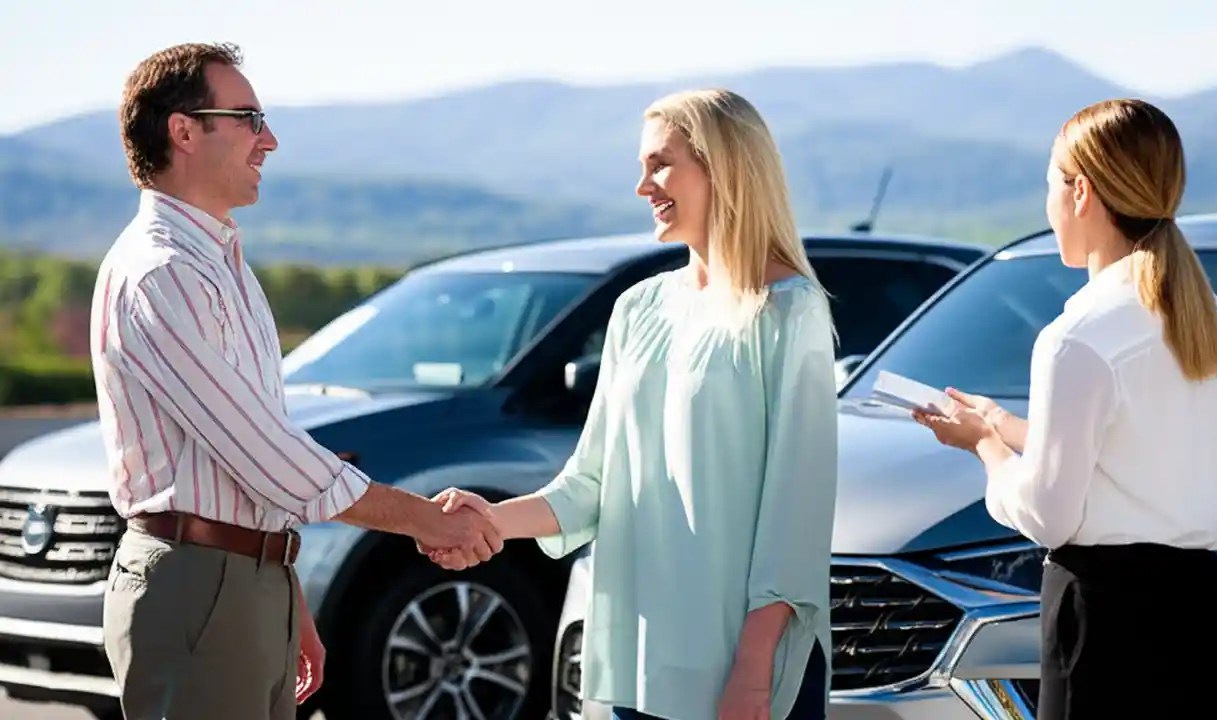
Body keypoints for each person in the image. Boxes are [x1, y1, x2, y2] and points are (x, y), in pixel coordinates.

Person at [89, 42, 501, 720]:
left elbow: (253, 461)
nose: (270, 139)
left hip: (240, 584)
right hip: (200, 589)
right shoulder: (164, 273)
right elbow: (264, 454)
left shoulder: (220, 263)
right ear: (184, 131)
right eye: (249, 118)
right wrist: (428, 520)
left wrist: (283, 594)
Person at [430, 89, 839, 719]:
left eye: (660, 164)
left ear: (723, 167)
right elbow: (590, 485)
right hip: (638, 670)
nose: (643, 185)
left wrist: (753, 673)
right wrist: (489, 520)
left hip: (742, 672)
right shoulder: (637, 309)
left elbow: (795, 518)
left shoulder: (790, 311)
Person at [913, 98, 1217, 719]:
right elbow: (1135, 455)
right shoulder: (1208, 318)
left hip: (1105, 619)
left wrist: (984, 446)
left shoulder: (1078, 334)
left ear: (1081, 192)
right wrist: (1005, 425)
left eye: (1050, 185)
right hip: (1197, 609)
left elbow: (1047, 516)